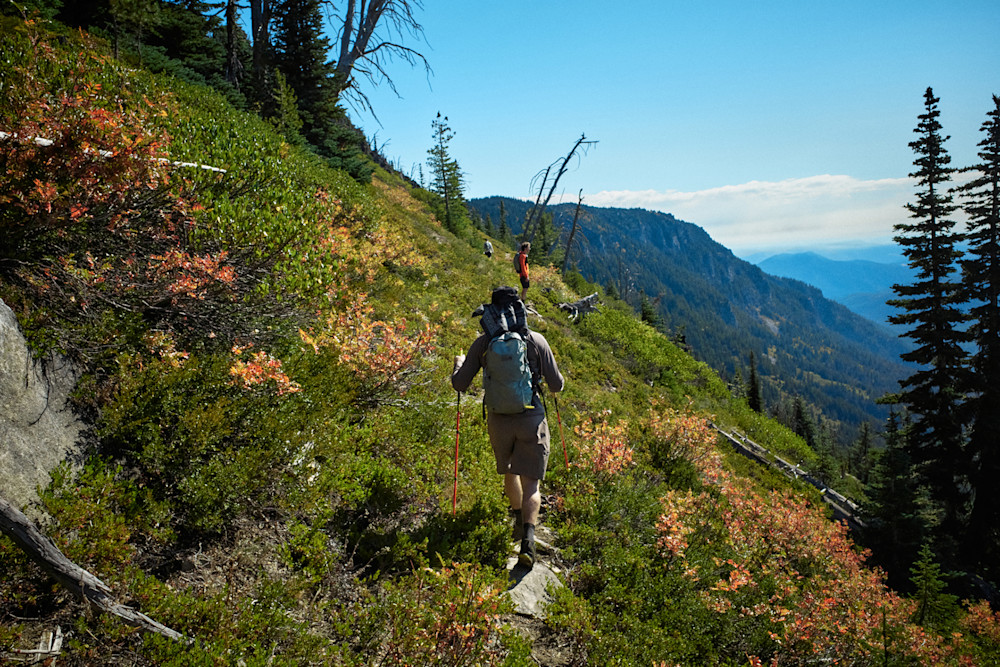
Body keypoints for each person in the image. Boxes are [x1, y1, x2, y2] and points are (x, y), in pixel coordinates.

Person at [451, 286, 564, 569]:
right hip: (531, 418)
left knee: (510, 469)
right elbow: (556, 385)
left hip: (499, 420)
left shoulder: (483, 343)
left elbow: (459, 384)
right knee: (532, 484)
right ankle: (528, 540)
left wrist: (458, 365)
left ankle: (516, 519)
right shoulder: (536, 340)